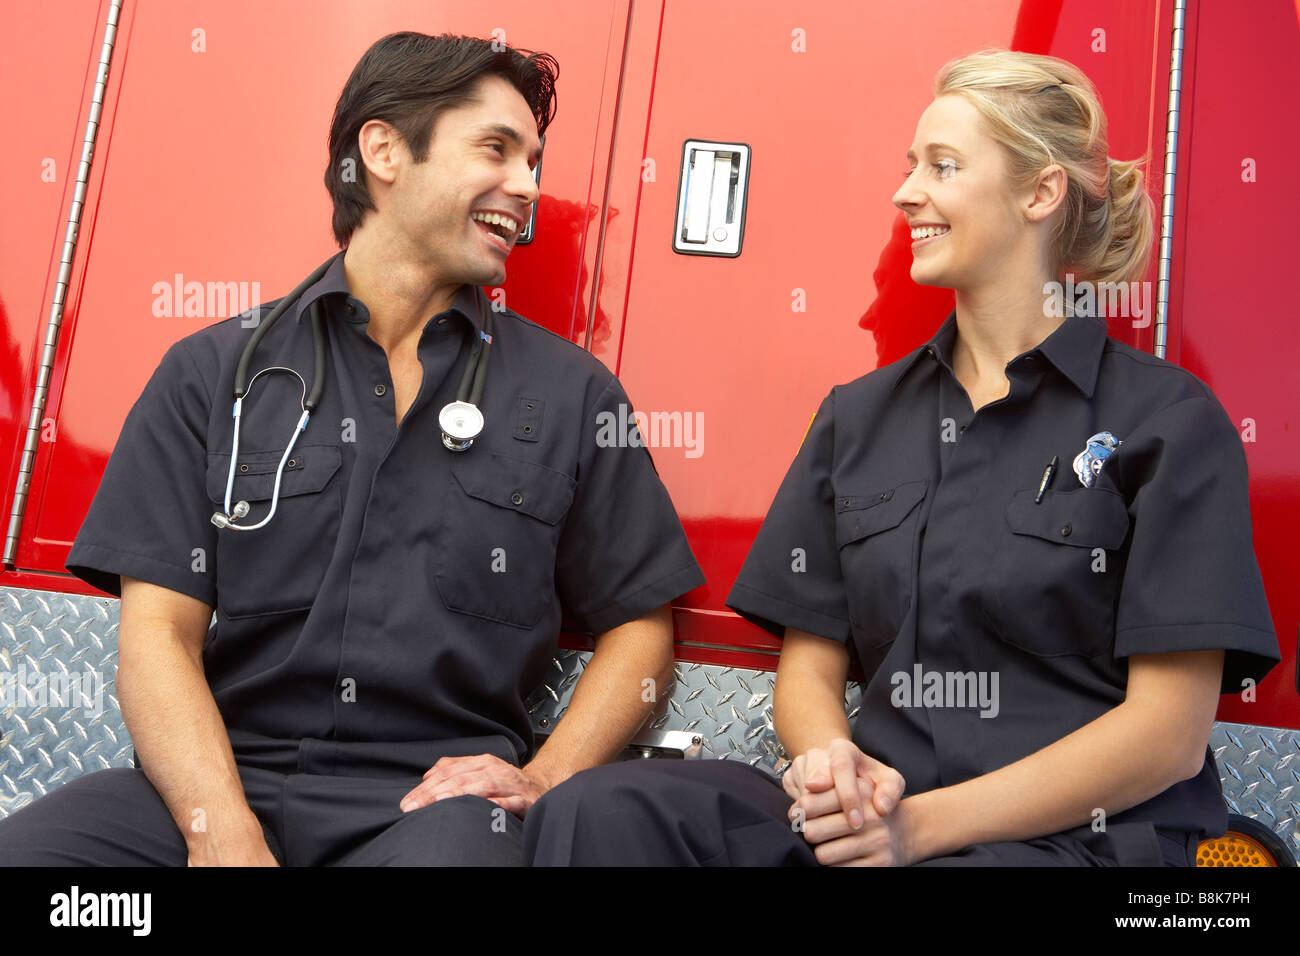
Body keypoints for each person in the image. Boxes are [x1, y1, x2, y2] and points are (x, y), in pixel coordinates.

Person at [521, 48, 1281, 866]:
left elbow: (1166, 736)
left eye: (942, 166)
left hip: (1070, 845)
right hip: (878, 827)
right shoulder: (859, 418)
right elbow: (809, 672)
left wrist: (920, 829)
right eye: (911, 164)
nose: (906, 190)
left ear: (1040, 191)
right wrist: (830, 761)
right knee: (603, 813)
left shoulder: (1168, 423)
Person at [0, 32, 703, 867]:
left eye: (534, 161)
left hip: (429, 809)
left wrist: (546, 779)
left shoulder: (573, 395)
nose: (529, 186)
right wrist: (218, 829)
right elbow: (158, 637)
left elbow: (641, 625)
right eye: (497, 149)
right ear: (382, 151)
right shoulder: (212, 372)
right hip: (220, 779)